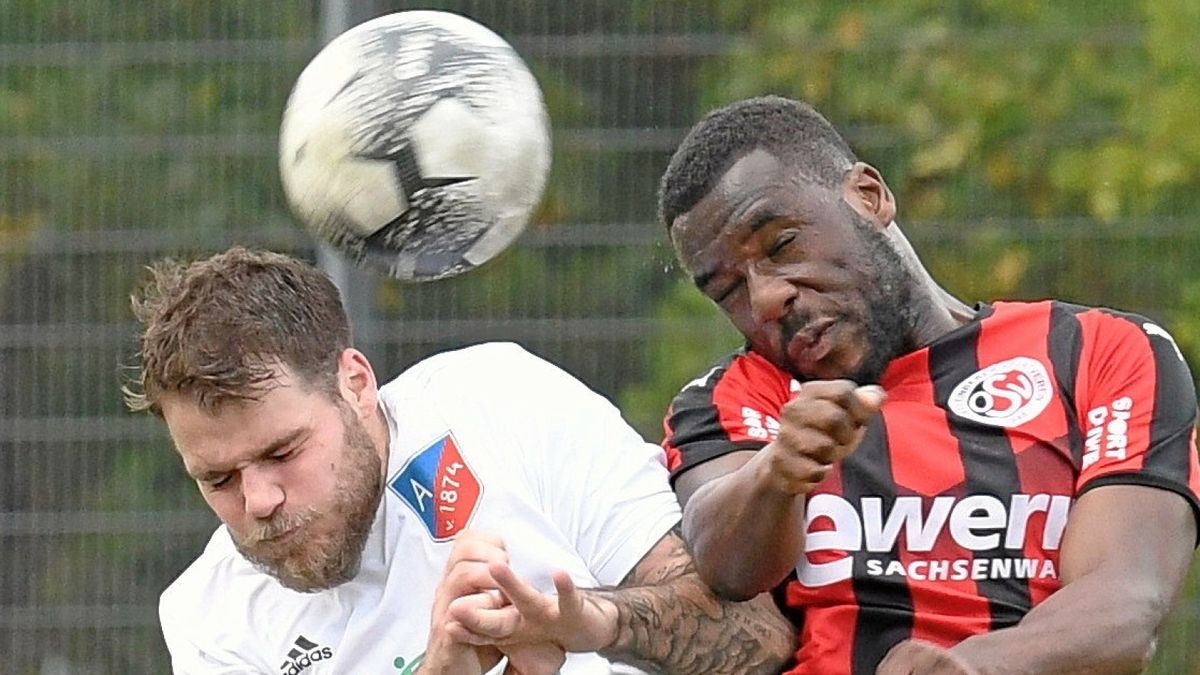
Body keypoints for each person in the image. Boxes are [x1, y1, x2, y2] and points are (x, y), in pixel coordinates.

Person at [656, 96, 1200, 675]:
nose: (766, 298)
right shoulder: (733, 398)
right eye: (728, 291)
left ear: (869, 197)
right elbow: (725, 564)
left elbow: (1125, 603)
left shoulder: (1101, 351)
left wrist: (969, 668)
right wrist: (776, 473)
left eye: (782, 244)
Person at [124, 247, 795, 674]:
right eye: (218, 478)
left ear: (356, 384)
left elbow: (758, 637)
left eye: (283, 451)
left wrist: (591, 622)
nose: (260, 499)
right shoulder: (210, 621)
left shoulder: (500, 399)